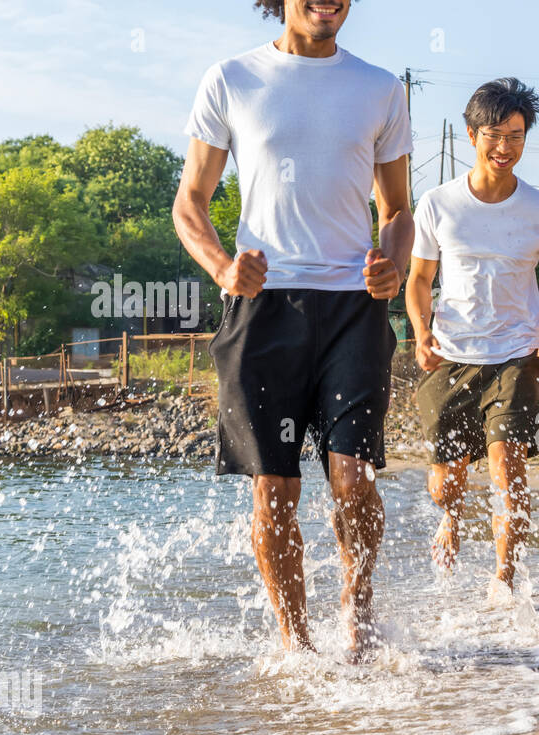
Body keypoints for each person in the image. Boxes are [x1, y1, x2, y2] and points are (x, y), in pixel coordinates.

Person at [172, 0, 413, 661]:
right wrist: (225, 267)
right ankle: (297, 645)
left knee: (352, 476)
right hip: (264, 309)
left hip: (353, 307)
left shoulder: (381, 88)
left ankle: (357, 623)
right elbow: (190, 201)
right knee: (274, 489)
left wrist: (393, 263)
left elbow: (396, 211)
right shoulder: (231, 79)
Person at [405, 79, 539, 603]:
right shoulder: (437, 205)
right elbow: (418, 280)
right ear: (470, 134)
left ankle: (503, 580)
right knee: (446, 482)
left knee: (508, 464)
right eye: (494, 135)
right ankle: (451, 519)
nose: (505, 147)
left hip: (515, 356)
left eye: (516, 135)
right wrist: (419, 332)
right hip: (451, 356)